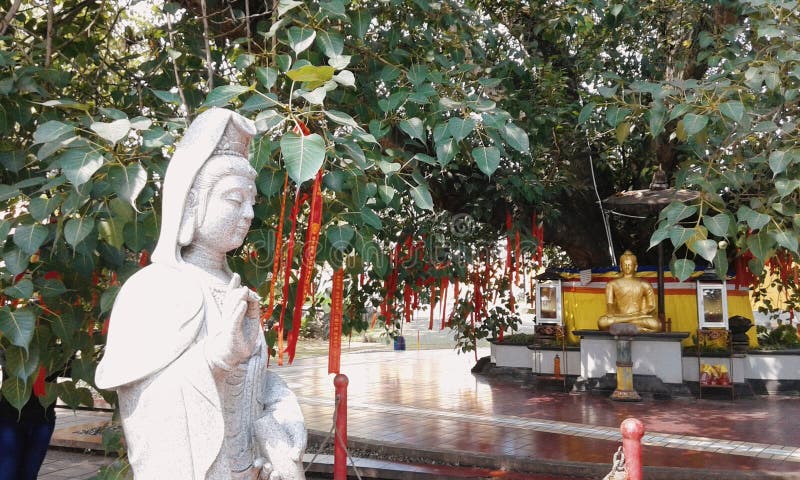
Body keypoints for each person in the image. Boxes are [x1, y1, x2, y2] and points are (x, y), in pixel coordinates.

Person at [96, 108, 306, 480]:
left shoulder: (238, 291)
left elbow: (253, 379)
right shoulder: (153, 289)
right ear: (191, 203)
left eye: (252, 202)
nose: (247, 214)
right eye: (233, 199)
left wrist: (281, 405)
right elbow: (142, 404)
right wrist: (215, 360)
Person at [0, 352, 56, 480]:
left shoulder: (55, 343)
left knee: (29, 475)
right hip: (10, 418)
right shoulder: (11, 340)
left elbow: (65, 366)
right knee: (6, 474)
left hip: (43, 419)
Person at [597, 250, 661, 333]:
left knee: (656, 324)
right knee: (602, 322)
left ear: (635, 266)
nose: (627, 267)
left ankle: (623, 328)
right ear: (620, 267)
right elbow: (610, 304)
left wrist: (642, 312)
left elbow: (651, 305)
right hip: (623, 317)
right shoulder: (611, 284)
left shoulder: (644, 284)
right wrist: (611, 313)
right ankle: (636, 329)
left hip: (637, 316)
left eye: (630, 265)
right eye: (625, 265)